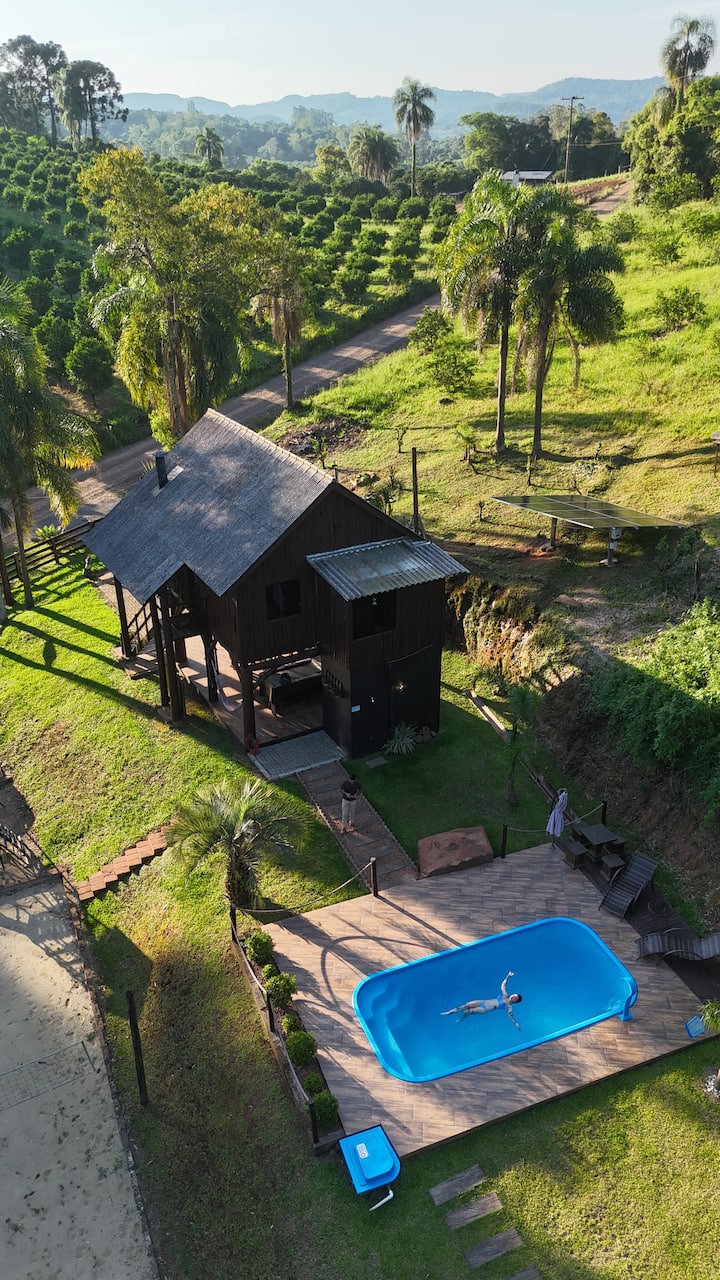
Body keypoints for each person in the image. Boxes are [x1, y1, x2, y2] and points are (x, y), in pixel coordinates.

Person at [441, 971, 522, 1029]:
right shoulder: (505, 995)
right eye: (514, 995)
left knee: (467, 1012)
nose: (513, 996)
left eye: (515, 998)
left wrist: (516, 1024)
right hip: (482, 1002)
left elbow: (511, 1016)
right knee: (466, 1005)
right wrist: (508, 976)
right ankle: (449, 1012)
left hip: (484, 1009)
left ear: (515, 1001)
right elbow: (503, 985)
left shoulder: (509, 1007)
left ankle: (460, 1019)